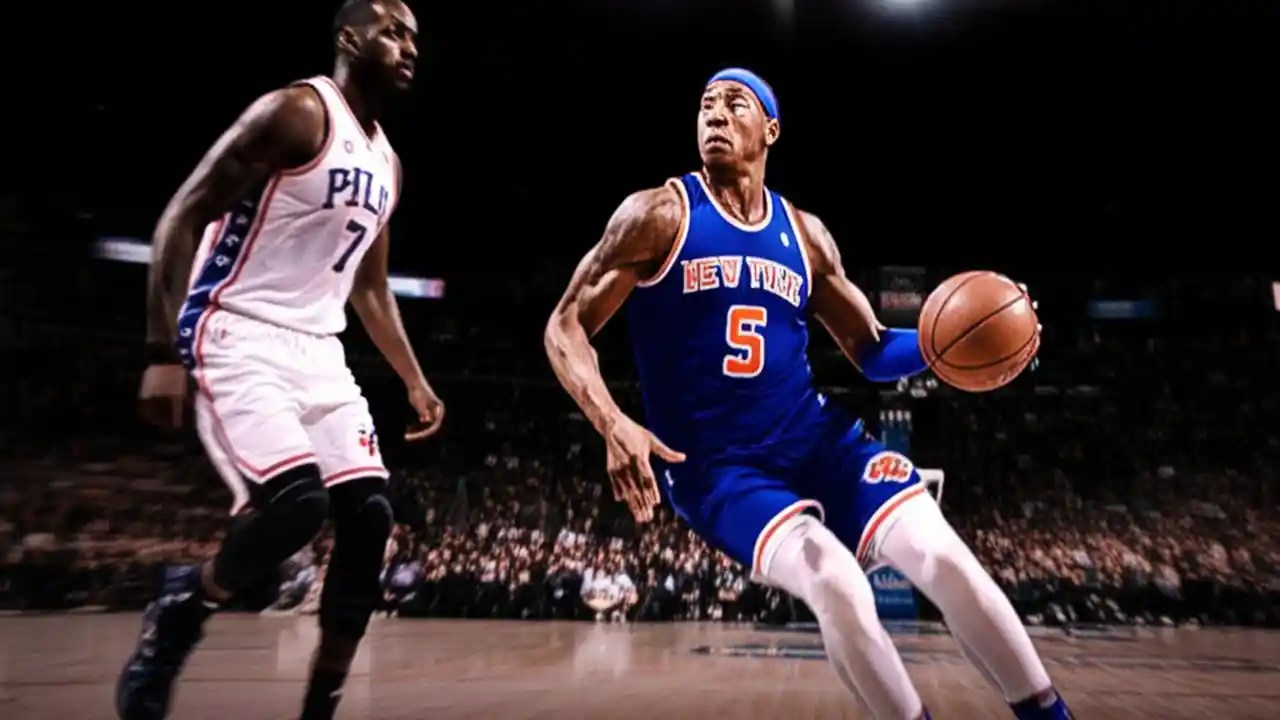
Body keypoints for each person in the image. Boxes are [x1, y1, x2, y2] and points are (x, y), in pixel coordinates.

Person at [544, 67, 1072, 720]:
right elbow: (564, 325)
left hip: (815, 438)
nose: (714, 112)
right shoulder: (658, 214)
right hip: (717, 469)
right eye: (705, 103)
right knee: (837, 583)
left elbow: (872, 350)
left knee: (942, 556)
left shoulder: (805, 234)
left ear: (770, 129)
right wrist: (611, 421)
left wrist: (948, 344)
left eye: (734, 103)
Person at [117, 2, 443, 718]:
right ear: (349, 38)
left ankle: (320, 704)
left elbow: (367, 285)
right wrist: (159, 350)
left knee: (372, 516)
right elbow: (183, 212)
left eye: (415, 37)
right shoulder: (296, 112)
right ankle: (184, 603)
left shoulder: (387, 162)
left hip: (318, 350)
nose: (408, 46)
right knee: (298, 504)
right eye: (393, 32)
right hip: (235, 329)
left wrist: (415, 379)